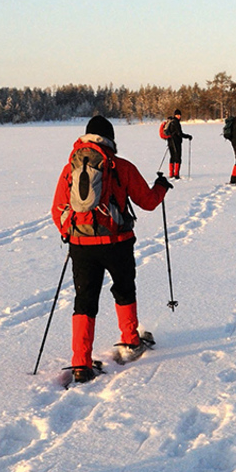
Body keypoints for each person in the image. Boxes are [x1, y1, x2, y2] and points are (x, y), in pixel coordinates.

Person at [53, 115, 171, 380]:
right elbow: (149, 201)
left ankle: (81, 364)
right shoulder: (121, 166)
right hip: (117, 243)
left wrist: (70, 235)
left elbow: (57, 209)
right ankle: (130, 340)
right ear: (110, 139)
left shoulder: (70, 168)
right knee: (124, 289)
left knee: (84, 301)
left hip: (81, 245)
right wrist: (162, 186)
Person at [162, 109, 192, 180]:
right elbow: (179, 133)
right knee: (177, 157)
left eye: (179, 115)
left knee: (172, 157)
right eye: (177, 115)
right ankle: (176, 174)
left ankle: (171, 173)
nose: (179, 116)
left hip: (170, 142)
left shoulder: (171, 121)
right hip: (176, 142)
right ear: (175, 115)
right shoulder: (176, 122)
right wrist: (188, 136)